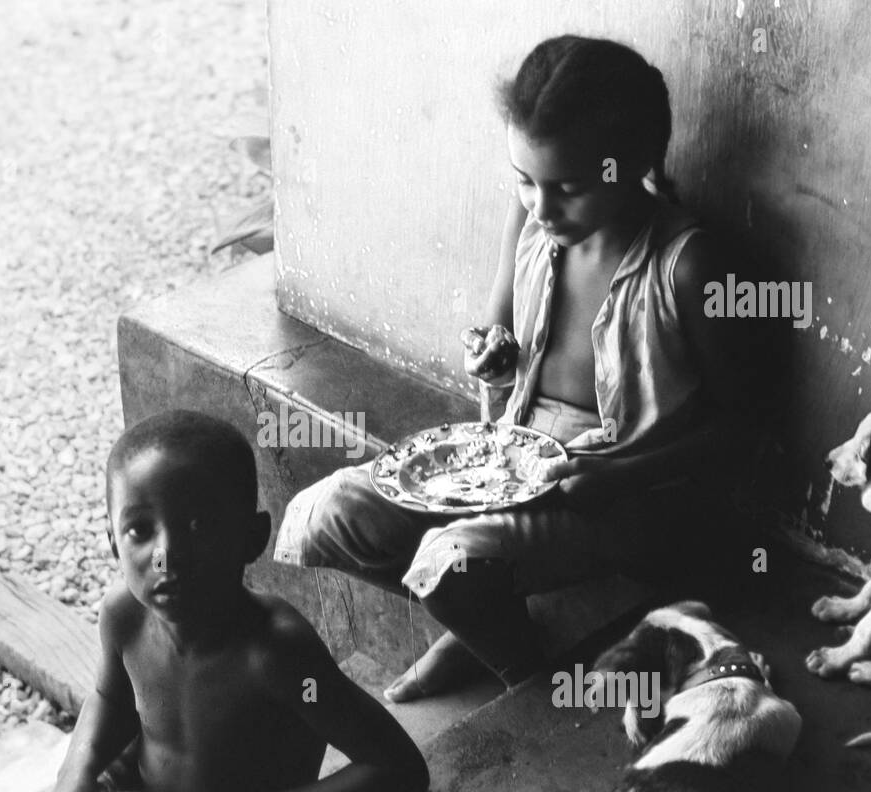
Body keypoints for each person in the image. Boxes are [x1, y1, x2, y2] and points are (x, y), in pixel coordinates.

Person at [274, 35, 760, 704]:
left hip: (628, 495)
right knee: (334, 514)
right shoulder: (533, 223)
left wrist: (620, 474)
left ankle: (523, 679)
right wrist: (492, 356)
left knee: (454, 563)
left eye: (568, 188)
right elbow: (497, 331)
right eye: (525, 180)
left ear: (633, 164)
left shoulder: (685, 266)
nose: (541, 206)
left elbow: (742, 428)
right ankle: (481, 627)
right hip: (510, 463)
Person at [24, 410, 428, 792]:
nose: (165, 556)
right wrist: (75, 772)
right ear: (113, 543)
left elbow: (400, 772)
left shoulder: (275, 652)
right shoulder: (124, 617)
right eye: (139, 530)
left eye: (198, 525)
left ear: (252, 537)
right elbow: (109, 698)